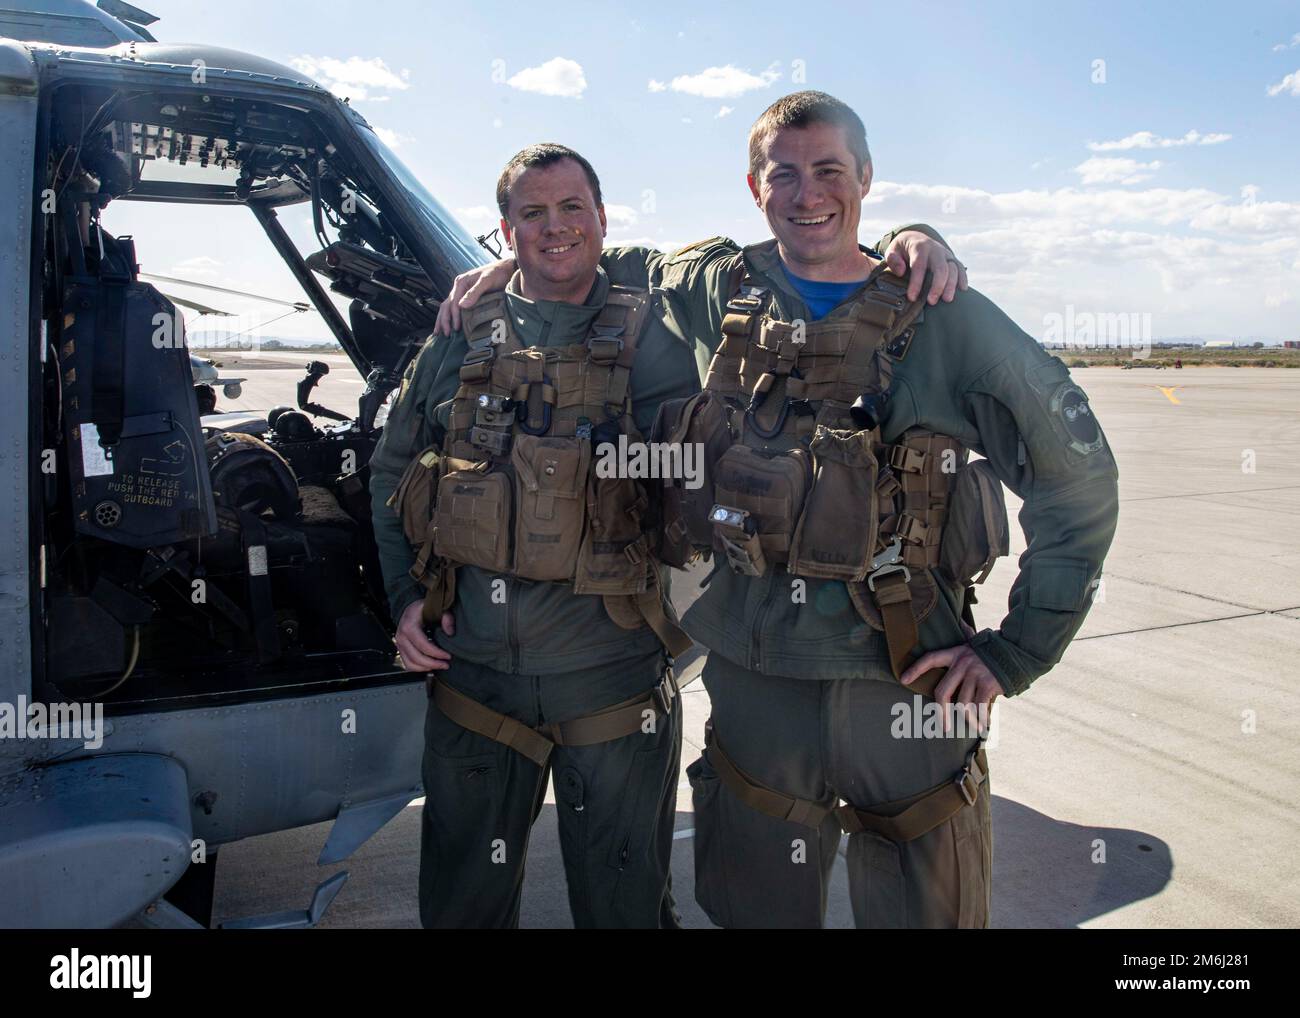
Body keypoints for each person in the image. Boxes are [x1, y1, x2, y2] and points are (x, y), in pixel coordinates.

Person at [441, 92, 1120, 928]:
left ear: (865, 177)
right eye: (784, 175)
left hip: (906, 681)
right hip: (758, 684)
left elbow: (1078, 477)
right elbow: (583, 253)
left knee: (926, 905)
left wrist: (1017, 652)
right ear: (754, 188)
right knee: (756, 906)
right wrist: (505, 271)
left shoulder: (943, 315)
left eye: (830, 170)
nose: (808, 195)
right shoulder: (714, 288)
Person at [370, 140, 960, 928]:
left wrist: (911, 240)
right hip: (473, 678)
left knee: (627, 910)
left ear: (604, 219)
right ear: (505, 230)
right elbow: (392, 470)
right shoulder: (462, 329)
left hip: (613, 682)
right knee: (459, 908)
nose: (555, 229)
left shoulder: (661, 318)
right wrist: (406, 599)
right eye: (532, 215)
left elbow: (798, 264)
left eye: (573, 208)